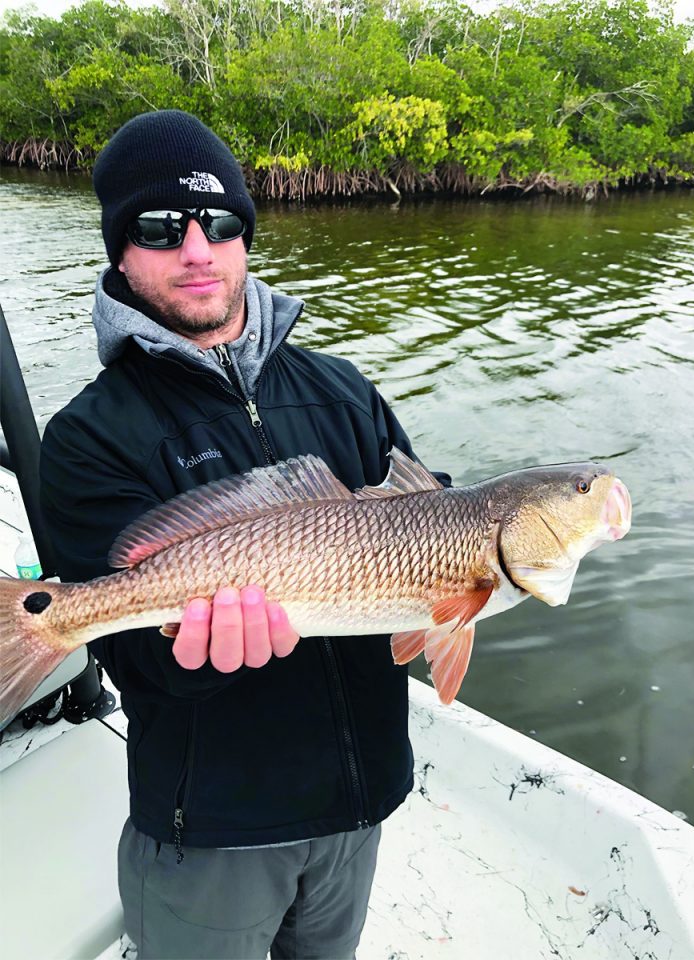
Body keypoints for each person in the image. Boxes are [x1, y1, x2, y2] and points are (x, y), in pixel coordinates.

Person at [39, 110, 449, 960]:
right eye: (161, 227)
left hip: (360, 809)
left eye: (220, 223)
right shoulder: (89, 436)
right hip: (211, 835)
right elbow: (134, 663)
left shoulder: (342, 388)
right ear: (121, 250)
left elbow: (423, 519)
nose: (198, 249)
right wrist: (192, 651)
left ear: (245, 238)